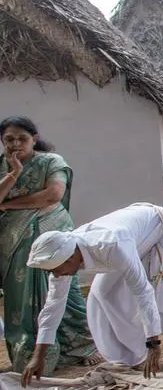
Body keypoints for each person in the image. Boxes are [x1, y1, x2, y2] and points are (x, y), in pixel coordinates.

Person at [23, 203, 163, 385]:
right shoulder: (64, 259)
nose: (57, 275)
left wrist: (154, 344)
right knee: (102, 295)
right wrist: (38, 357)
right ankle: (128, 358)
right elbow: (53, 306)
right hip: (134, 242)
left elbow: (143, 291)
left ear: (71, 257)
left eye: (57, 270)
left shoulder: (110, 246)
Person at [0, 117, 98, 376]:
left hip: (51, 234)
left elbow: (53, 195)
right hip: (12, 242)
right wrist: (13, 174)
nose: (16, 144)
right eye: (9, 139)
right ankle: (28, 353)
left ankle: (82, 346)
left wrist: (7, 204)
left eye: (22, 138)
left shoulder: (51, 162)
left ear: (34, 139)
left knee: (65, 288)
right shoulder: (1, 166)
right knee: (18, 297)